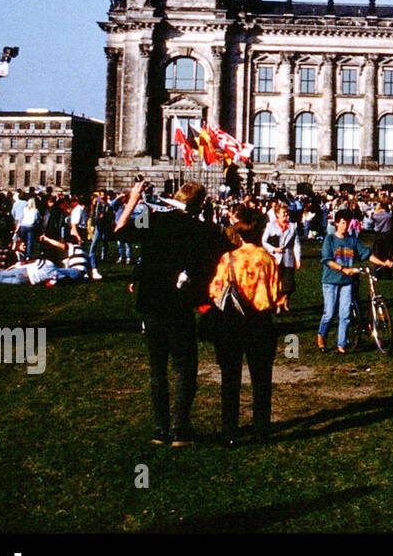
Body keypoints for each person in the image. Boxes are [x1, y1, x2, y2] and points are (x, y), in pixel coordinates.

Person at [113, 179, 232, 447]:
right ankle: (179, 429)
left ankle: (160, 429)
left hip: (151, 304)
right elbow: (223, 250)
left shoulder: (155, 221)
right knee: (184, 369)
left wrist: (133, 198)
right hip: (179, 305)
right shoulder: (201, 230)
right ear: (200, 204)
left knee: (158, 369)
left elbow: (119, 230)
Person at [207, 206, 287, 446]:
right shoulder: (268, 260)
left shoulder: (228, 258)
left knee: (230, 379)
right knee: (261, 380)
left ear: (239, 234)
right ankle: (261, 430)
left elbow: (214, 290)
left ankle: (229, 432)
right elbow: (276, 294)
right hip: (260, 322)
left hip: (232, 322)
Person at [318, 209, 393, 353]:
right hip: (331, 281)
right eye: (343, 223)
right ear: (337, 224)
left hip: (347, 281)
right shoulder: (330, 239)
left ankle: (341, 344)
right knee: (330, 312)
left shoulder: (352, 240)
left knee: (345, 313)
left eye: (347, 223)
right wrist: (343, 269)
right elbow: (327, 260)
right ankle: (322, 335)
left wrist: (383, 263)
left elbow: (366, 254)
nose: (345, 226)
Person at [262, 201, 301, 303]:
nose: (286, 215)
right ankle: (278, 303)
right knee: (276, 282)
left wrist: (298, 259)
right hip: (275, 258)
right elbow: (264, 242)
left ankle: (286, 301)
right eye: (283, 212)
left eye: (287, 212)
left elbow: (296, 244)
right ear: (277, 214)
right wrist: (274, 249)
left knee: (288, 282)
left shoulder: (292, 227)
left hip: (288, 259)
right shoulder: (270, 226)